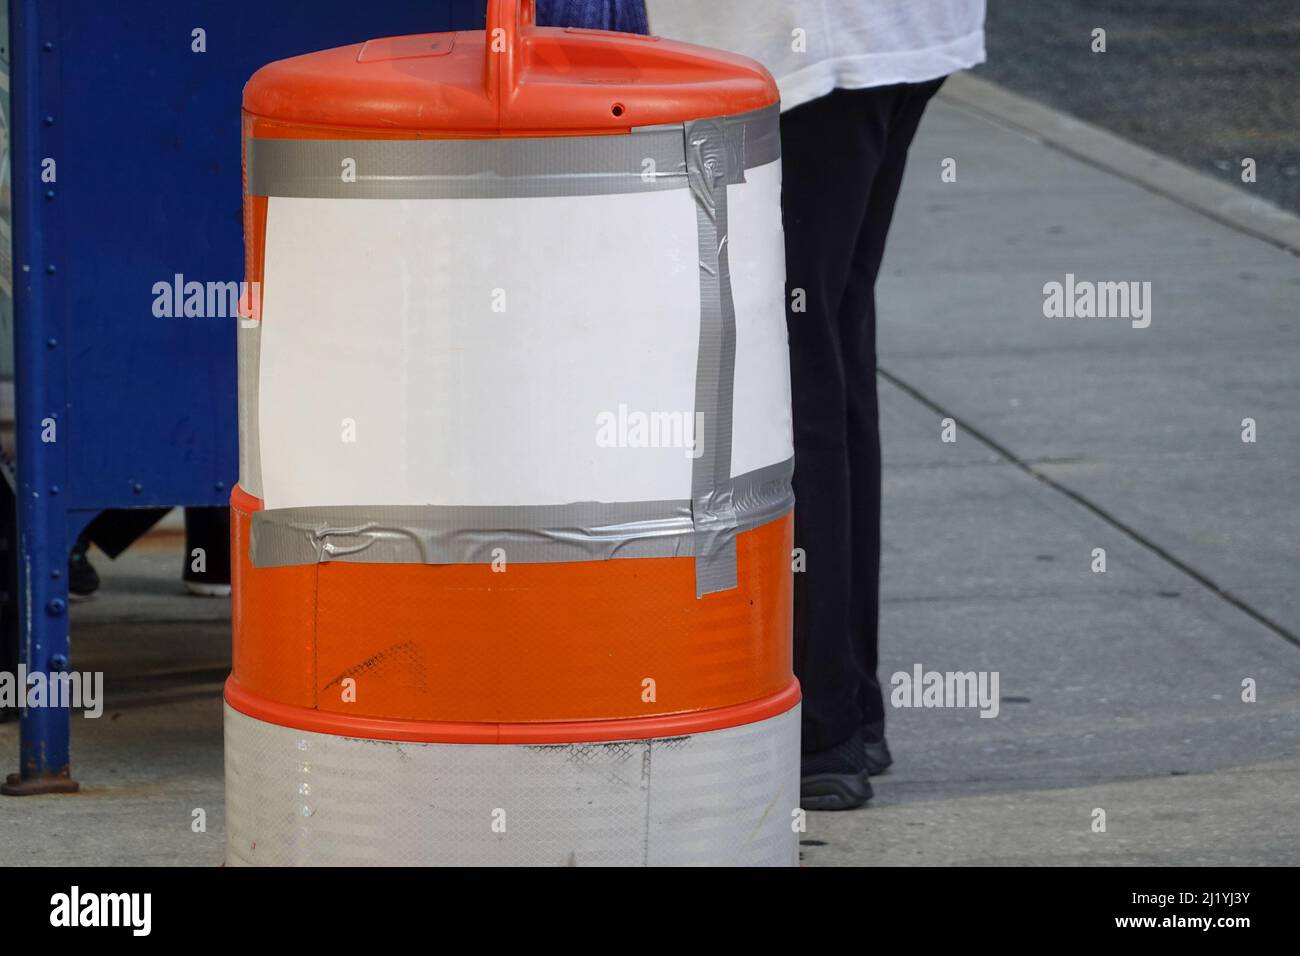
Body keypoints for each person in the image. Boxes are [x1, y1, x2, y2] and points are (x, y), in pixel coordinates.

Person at [644, 0, 987, 809]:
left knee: (792, 372)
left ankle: (821, 725)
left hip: (798, 47)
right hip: (887, 38)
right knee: (827, 344)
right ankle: (847, 708)